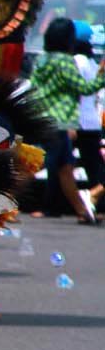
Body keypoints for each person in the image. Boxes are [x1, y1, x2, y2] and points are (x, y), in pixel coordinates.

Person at [30, 15, 105, 224]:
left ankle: (83, 211)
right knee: (44, 164)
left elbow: (34, 87)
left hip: (43, 118)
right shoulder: (65, 62)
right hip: (59, 121)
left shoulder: (41, 59)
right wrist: (102, 76)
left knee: (64, 168)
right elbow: (83, 88)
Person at [72, 20, 105, 209]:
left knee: (58, 163)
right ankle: (96, 204)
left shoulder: (76, 61)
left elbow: (76, 91)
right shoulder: (92, 62)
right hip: (91, 120)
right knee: (94, 168)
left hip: (78, 121)